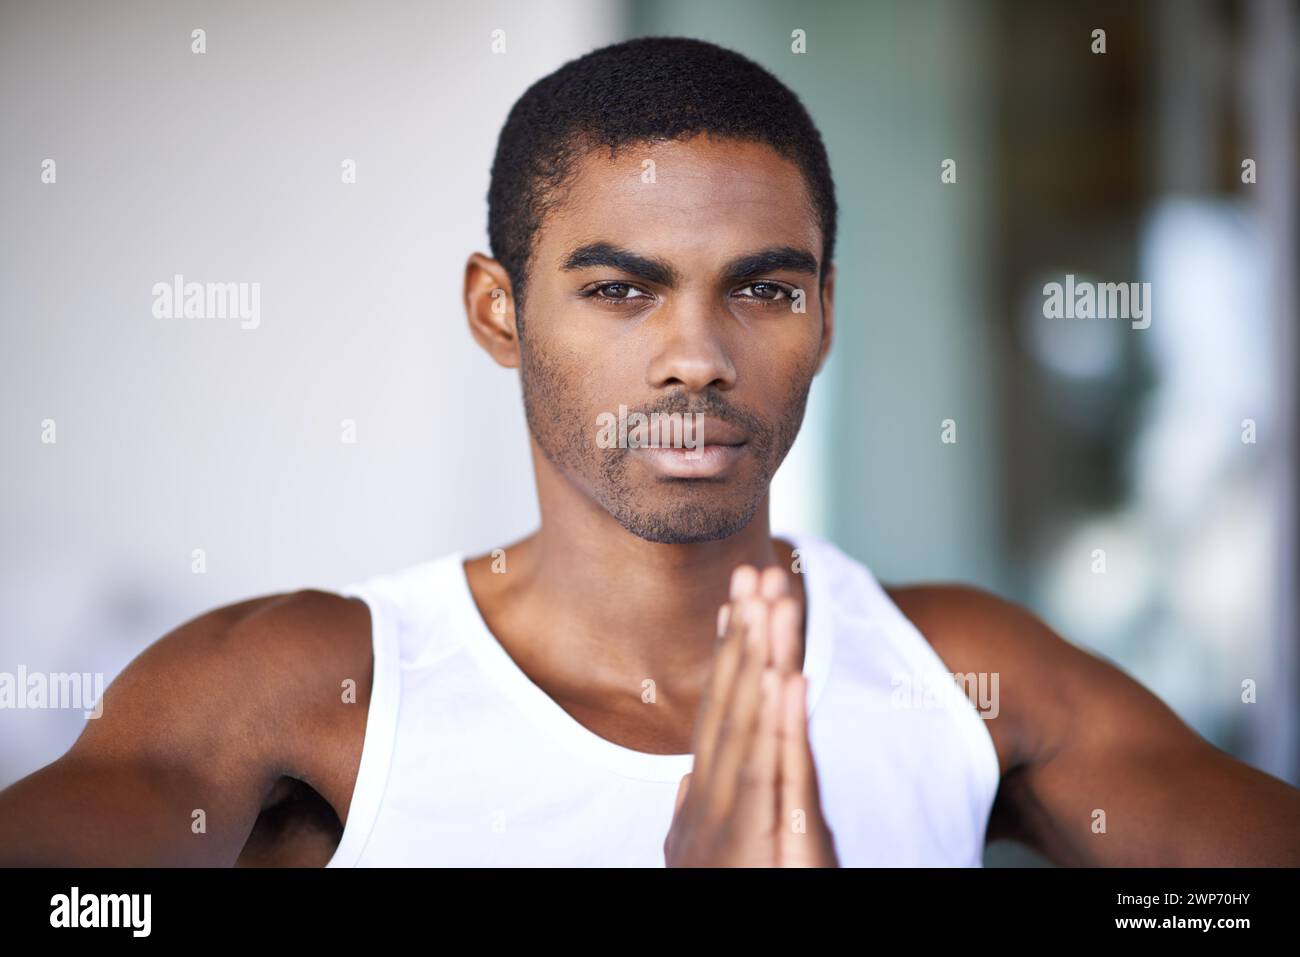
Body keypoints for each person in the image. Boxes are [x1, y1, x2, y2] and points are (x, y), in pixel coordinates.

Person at [2, 36, 1297, 867]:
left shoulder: (965, 673)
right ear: (497, 312)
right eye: (622, 290)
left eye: (765, 289)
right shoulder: (301, 689)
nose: (699, 355)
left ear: (826, 313)